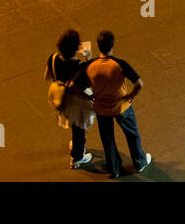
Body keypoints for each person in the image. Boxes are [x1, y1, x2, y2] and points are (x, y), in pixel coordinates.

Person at [86, 30, 151, 179]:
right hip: (121, 106)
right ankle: (139, 162)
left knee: (107, 139)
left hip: (101, 108)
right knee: (132, 134)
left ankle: (114, 168)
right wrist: (131, 95)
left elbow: (77, 84)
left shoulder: (90, 65)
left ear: (98, 45)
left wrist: (90, 96)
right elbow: (139, 83)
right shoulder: (119, 65)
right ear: (112, 45)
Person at [44, 30, 95, 170]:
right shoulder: (79, 66)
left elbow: (46, 76)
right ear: (76, 48)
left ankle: (76, 145)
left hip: (60, 98)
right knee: (80, 128)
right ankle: (77, 157)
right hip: (75, 103)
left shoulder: (53, 58)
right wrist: (88, 59)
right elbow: (86, 84)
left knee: (73, 124)